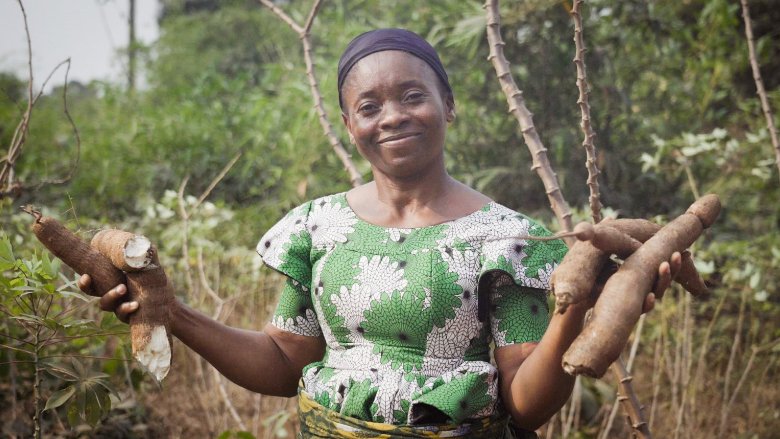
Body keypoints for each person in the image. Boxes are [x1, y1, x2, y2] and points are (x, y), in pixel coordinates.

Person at [82, 28, 680, 438]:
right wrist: (169, 312)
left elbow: (525, 404)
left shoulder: (508, 240)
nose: (392, 115)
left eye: (412, 96)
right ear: (349, 125)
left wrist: (576, 315)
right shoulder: (318, 227)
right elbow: (285, 361)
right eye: (369, 106)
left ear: (449, 105)